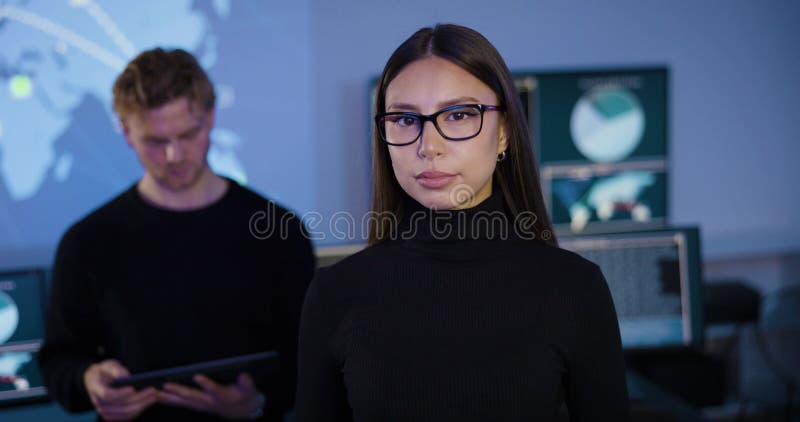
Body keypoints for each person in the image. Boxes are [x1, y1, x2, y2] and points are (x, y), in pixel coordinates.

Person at [295, 24, 630, 421]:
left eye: (458, 115)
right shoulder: (335, 293)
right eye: (404, 119)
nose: (428, 146)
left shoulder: (575, 288)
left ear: (504, 131)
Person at [38, 48, 315, 421]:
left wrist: (259, 402)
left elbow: (311, 360)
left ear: (211, 118)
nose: (174, 155)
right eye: (155, 141)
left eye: (189, 134)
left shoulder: (279, 232)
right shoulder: (87, 242)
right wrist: (88, 379)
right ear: (125, 131)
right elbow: (58, 361)